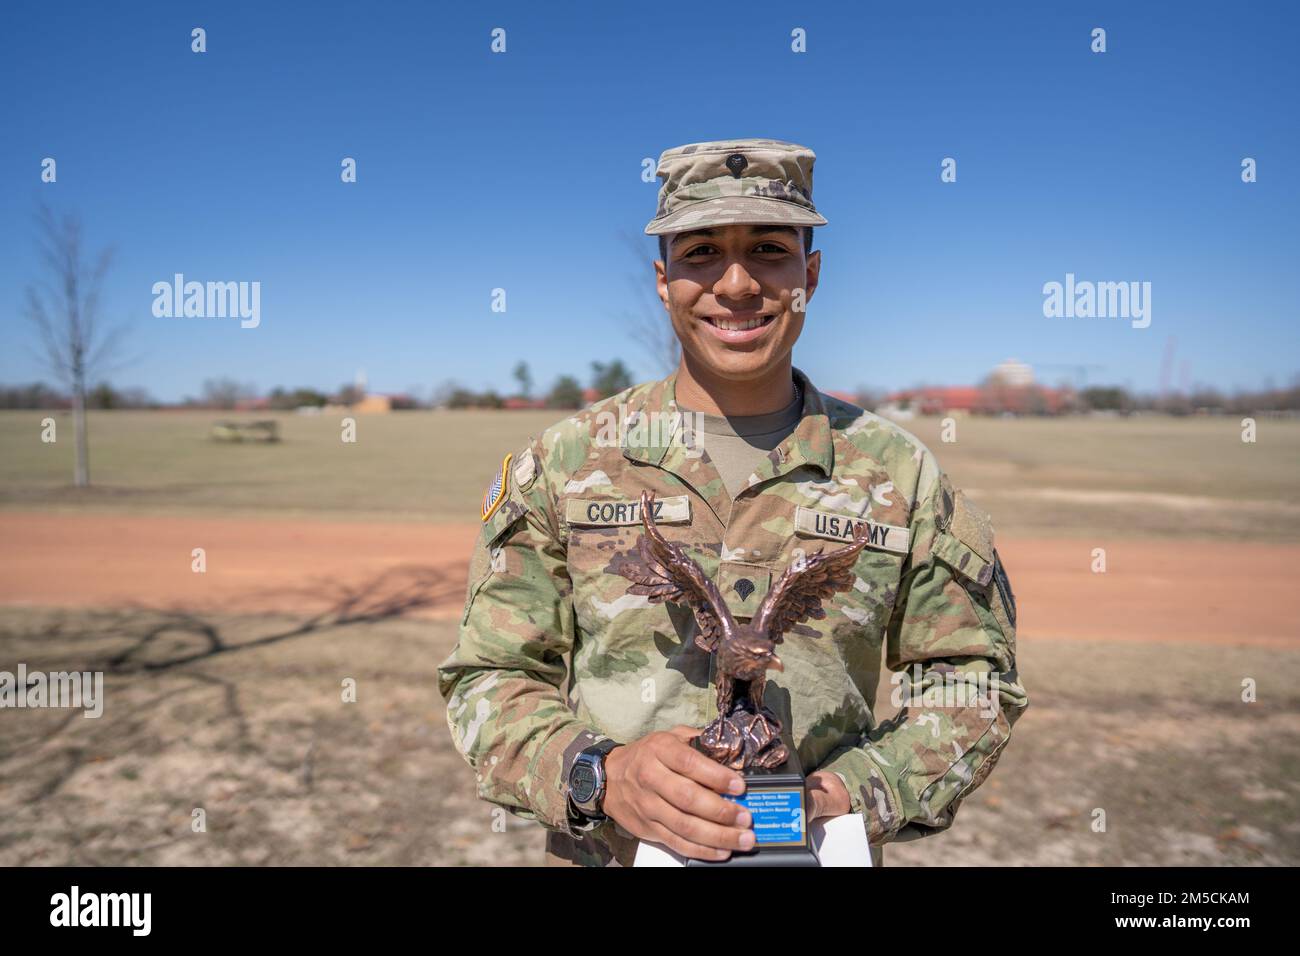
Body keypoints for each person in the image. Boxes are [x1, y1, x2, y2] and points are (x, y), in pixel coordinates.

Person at [437, 138, 1027, 867]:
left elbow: (971, 681)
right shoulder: (565, 463)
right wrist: (599, 776)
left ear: (811, 274)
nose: (738, 283)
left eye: (770, 250)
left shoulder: (900, 474)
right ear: (664, 280)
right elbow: (491, 675)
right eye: (703, 253)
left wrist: (851, 793)